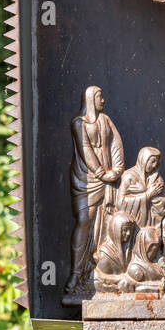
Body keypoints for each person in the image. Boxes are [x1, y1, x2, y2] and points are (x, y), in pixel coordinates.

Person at [64, 85, 124, 300]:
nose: (103, 100)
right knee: (84, 219)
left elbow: (116, 144)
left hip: (107, 177)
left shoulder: (106, 120)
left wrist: (116, 169)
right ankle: (76, 273)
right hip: (85, 179)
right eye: (100, 97)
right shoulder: (78, 123)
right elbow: (85, 149)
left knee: (107, 220)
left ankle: (99, 269)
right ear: (90, 99)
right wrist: (101, 172)